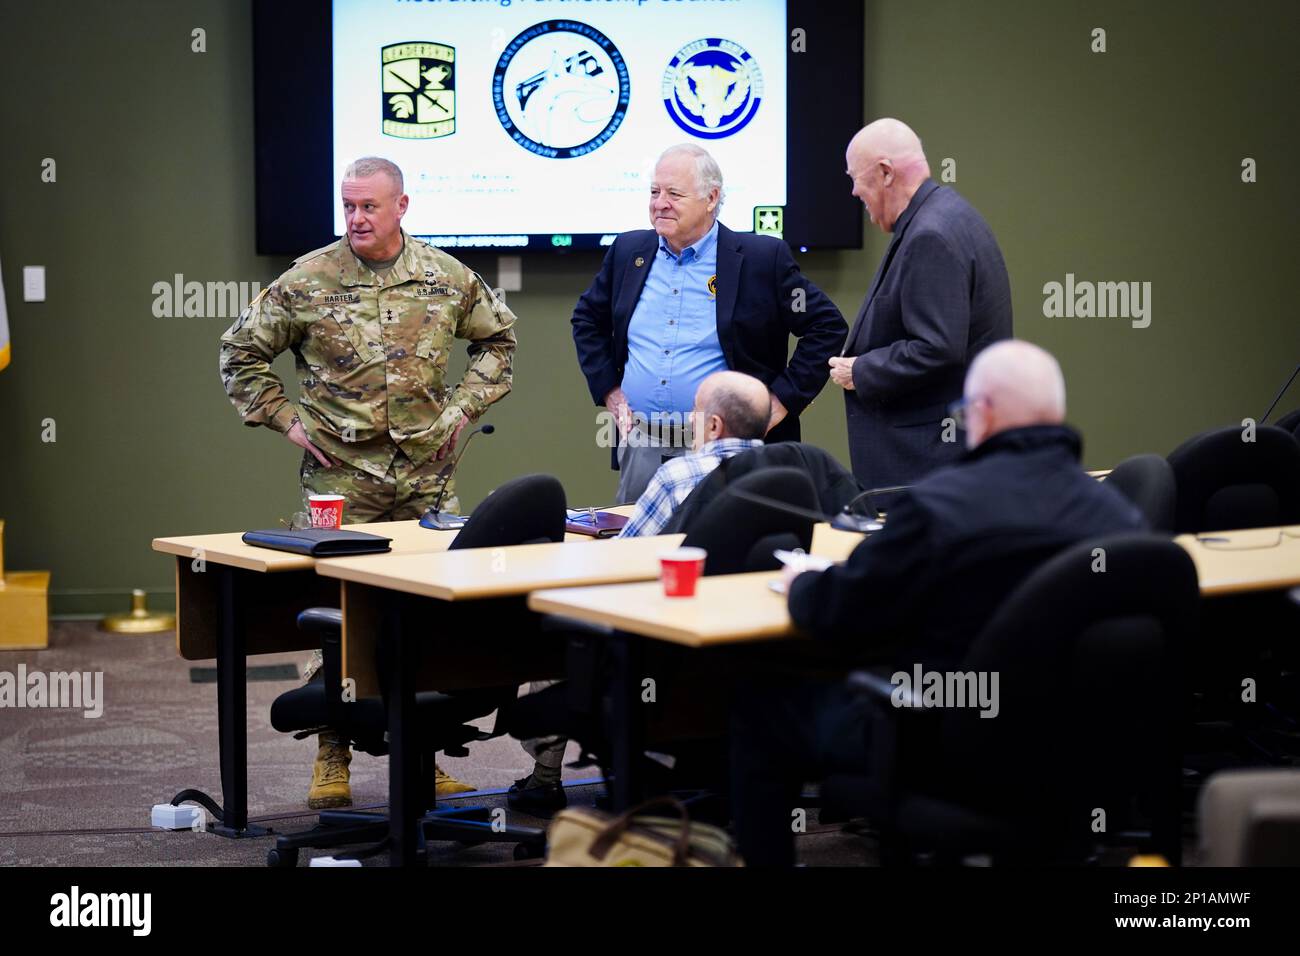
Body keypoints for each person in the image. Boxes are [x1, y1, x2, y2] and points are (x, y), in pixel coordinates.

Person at [730, 340, 1145, 866]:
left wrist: (803, 587)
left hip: (944, 750)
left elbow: (841, 613)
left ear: (983, 413)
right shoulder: (1119, 517)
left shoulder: (940, 508)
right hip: (1085, 756)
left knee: (760, 705)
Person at [219, 157, 517, 810]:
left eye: (369, 207)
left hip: (428, 479)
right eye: (347, 206)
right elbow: (239, 352)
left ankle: (424, 755)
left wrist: (463, 408)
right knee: (340, 612)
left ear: (401, 206)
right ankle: (332, 752)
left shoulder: (446, 277)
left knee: (434, 613)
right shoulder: (309, 278)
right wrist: (287, 419)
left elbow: (499, 344)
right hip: (340, 482)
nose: (356, 218)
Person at [507, 370, 771, 817]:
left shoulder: (680, 475)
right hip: (758, 655)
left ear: (713, 427)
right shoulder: (799, 468)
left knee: (562, 633)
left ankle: (545, 781)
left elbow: (622, 562)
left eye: (695, 414)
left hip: (666, 659)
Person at [571, 143, 845, 505]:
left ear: (711, 197)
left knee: (727, 550)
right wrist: (609, 390)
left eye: (674, 193)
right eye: (654, 192)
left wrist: (782, 400)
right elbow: (587, 318)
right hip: (642, 445)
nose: (659, 203)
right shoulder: (628, 252)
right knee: (636, 552)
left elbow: (827, 326)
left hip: (726, 448)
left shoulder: (762, 259)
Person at [830, 118, 1012, 489]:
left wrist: (860, 370)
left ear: (884, 173)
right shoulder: (948, 215)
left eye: (855, 177)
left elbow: (937, 348)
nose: (853, 192)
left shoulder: (930, 235)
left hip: (927, 464)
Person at [620, 371, 771, 538]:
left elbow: (626, 547)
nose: (691, 418)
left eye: (696, 409)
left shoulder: (677, 476)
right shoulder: (787, 474)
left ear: (714, 426)